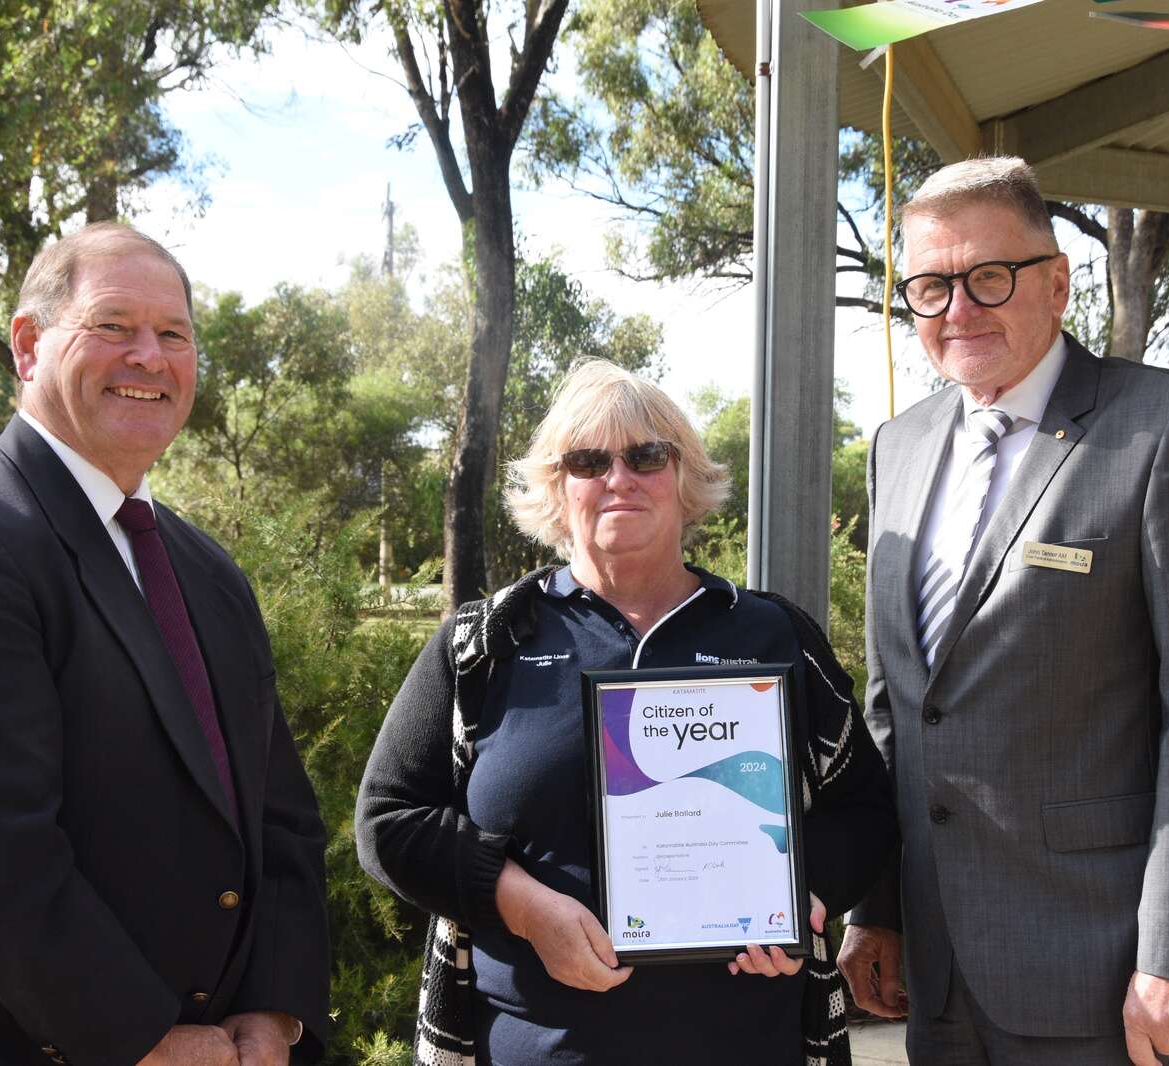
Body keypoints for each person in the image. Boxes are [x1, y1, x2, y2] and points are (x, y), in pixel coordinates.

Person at [0, 223, 330, 1066]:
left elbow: (278, 819)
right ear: (29, 346)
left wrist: (276, 1011)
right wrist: (141, 1040)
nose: (150, 356)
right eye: (113, 326)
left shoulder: (206, 571)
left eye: (174, 334)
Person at [838, 157, 1169, 1066]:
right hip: (935, 964)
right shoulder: (899, 446)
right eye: (928, 286)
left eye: (988, 276)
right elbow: (895, 707)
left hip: (1097, 964)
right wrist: (876, 908)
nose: (958, 308)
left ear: (1057, 282)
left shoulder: (1167, 428)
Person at [356, 359, 896, 1065]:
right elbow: (388, 819)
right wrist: (521, 903)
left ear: (684, 477)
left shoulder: (772, 633)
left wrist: (803, 895)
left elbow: (865, 810)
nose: (619, 478)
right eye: (587, 461)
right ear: (557, 488)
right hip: (534, 1046)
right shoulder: (483, 643)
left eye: (646, 455)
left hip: (744, 1042)